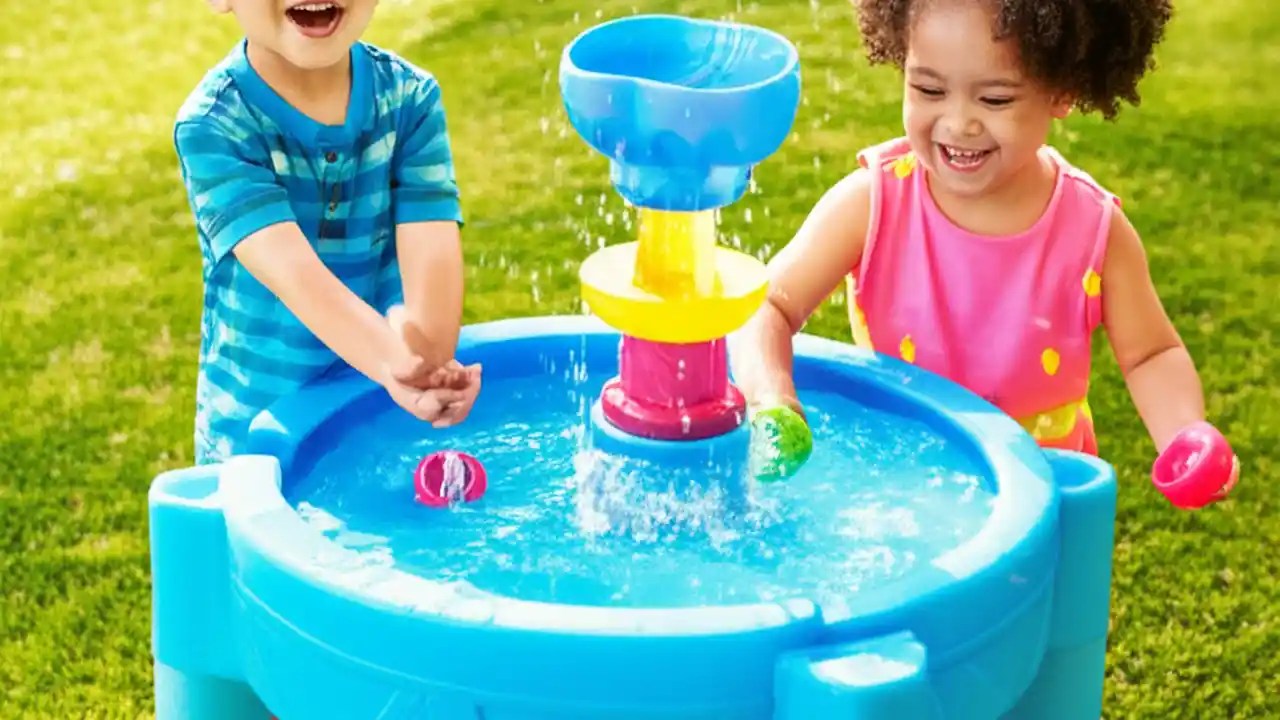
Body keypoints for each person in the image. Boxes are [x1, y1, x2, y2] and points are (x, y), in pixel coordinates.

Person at [729, 0, 1239, 504]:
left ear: (1061, 89)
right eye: (929, 89)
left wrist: (1183, 434)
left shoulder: (1094, 229)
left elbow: (1151, 353)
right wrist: (772, 396)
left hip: (1039, 498)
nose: (958, 124)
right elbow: (767, 306)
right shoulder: (874, 203)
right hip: (901, 489)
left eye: (994, 100)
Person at [175, 0, 481, 464]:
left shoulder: (409, 100)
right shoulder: (216, 125)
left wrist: (430, 362)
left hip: (379, 414)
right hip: (262, 432)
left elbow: (433, 253)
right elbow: (297, 277)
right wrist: (399, 365)